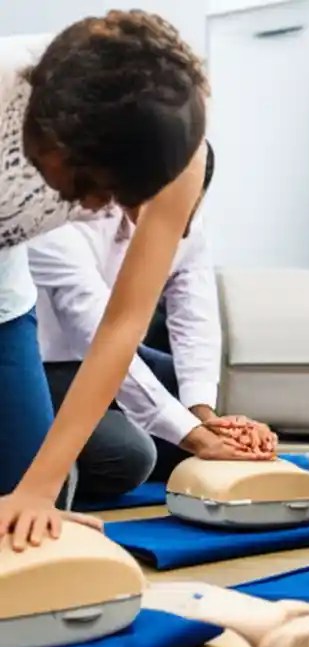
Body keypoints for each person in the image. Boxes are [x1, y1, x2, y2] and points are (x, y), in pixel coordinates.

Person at [0, 11, 213, 549]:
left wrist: (37, 488)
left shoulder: (177, 155)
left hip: (5, 295)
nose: (101, 208)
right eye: (89, 183)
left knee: (36, 507)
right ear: (51, 128)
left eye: (122, 194)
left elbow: (121, 324)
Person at [28, 183, 277, 501]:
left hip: (116, 353)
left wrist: (206, 417)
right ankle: (48, 455)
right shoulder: (61, 220)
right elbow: (101, 340)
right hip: (47, 363)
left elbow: (194, 317)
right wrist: (195, 437)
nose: (179, 224)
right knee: (130, 456)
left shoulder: (184, 211)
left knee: (186, 397)